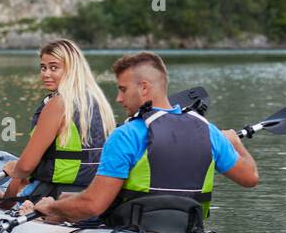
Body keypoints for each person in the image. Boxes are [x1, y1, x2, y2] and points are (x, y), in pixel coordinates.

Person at [26, 51, 259, 224]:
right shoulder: (208, 131)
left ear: (144, 88)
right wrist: (236, 144)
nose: (118, 98)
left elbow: (93, 205)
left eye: (123, 89)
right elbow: (250, 178)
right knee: (70, 197)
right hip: (186, 230)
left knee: (45, 212)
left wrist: (53, 207)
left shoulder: (126, 135)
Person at [0, 39, 116, 205]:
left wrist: (14, 171)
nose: (46, 74)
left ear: (71, 70)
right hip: (93, 195)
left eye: (54, 67)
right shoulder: (97, 101)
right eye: (43, 68)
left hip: (54, 193)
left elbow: (26, 167)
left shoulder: (58, 104)